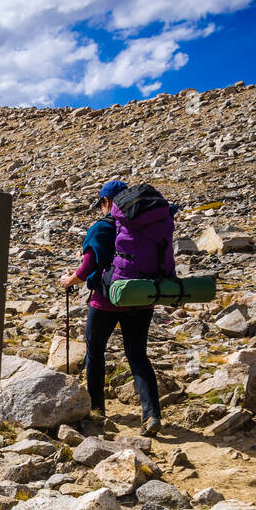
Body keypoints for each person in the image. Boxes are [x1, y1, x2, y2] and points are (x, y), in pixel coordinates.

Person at [60, 179, 168, 437]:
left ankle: (97, 411)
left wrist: (69, 280)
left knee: (95, 353)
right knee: (137, 355)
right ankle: (151, 414)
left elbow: (86, 269)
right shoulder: (144, 227)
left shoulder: (101, 228)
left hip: (106, 301)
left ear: (106, 202)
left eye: (100, 203)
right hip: (141, 298)